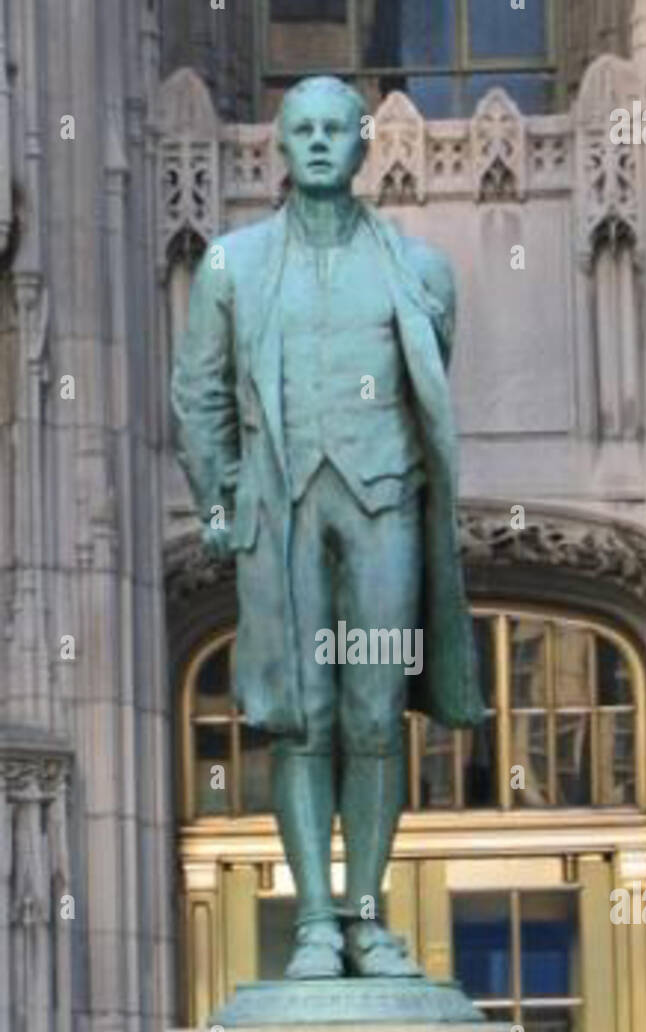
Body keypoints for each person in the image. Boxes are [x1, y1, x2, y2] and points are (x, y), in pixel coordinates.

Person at [172, 76, 483, 981]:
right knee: (297, 717)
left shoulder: (420, 269)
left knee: (376, 712)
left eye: (332, 129)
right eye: (299, 128)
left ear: (362, 145)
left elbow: (429, 383)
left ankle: (366, 915)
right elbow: (200, 396)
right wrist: (220, 502)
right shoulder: (233, 263)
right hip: (281, 507)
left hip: (382, 504)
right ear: (280, 145)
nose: (315, 142)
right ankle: (314, 920)